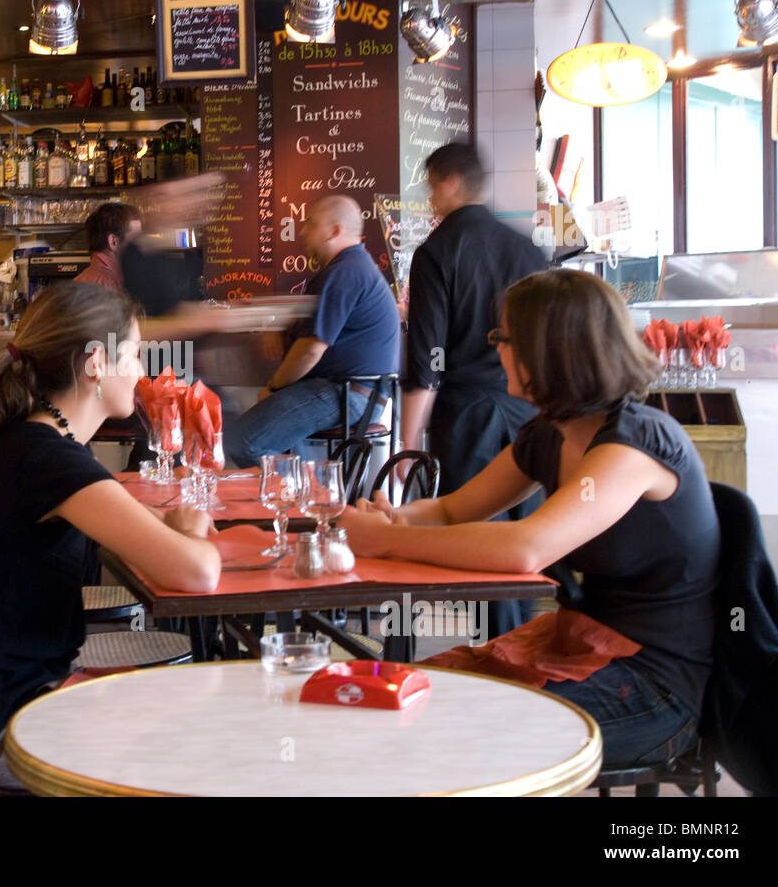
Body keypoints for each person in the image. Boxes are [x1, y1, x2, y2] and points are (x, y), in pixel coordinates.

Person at [339, 269, 719, 769]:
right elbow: (453, 508)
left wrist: (385, 543)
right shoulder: (552, 432)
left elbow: (528, 548)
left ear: (550, 349)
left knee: (440, 733)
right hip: (578, 645)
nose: (495, 349)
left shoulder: (635, 442)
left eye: (503, 337)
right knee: (394, 699)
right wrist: (396, 520)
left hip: (655, 684)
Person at [0, 280, 221, 789]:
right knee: (199, 740)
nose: (142, 372)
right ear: (96, 363)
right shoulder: (47, 458)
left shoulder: (34, 442)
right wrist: (189, 524)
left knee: (191, 713)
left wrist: (172, 529)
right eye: (136, 355)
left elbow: (130, 527)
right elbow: (199, 572)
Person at [399, 143, 548, 634]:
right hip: (528, 409)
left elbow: (428, 360)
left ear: (448, 182)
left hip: (468, 415)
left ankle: (500, 655)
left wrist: (408, 442)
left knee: (484, 545)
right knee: (531, 540)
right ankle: (527, 645)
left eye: (430, 185)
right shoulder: (527, 249)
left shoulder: (436, 252)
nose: (428, 197)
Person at [224, 195, 401, 468]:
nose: (303, 231)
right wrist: (282, 327)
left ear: (334, 231)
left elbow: (310, 350)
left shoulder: (343, 272)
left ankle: (314, 503)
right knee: (278, 441)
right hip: (359, 393)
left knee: (242, 440)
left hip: (346, 393)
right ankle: (314, 499)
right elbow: (309, 327)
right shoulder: (354, 269)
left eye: (311, 224)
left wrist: (274, 387)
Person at [75, 200, 141, 294]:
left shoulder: (85, 280)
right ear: (114, 242)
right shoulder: (109, 285)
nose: (141, 246)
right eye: (136, 238)